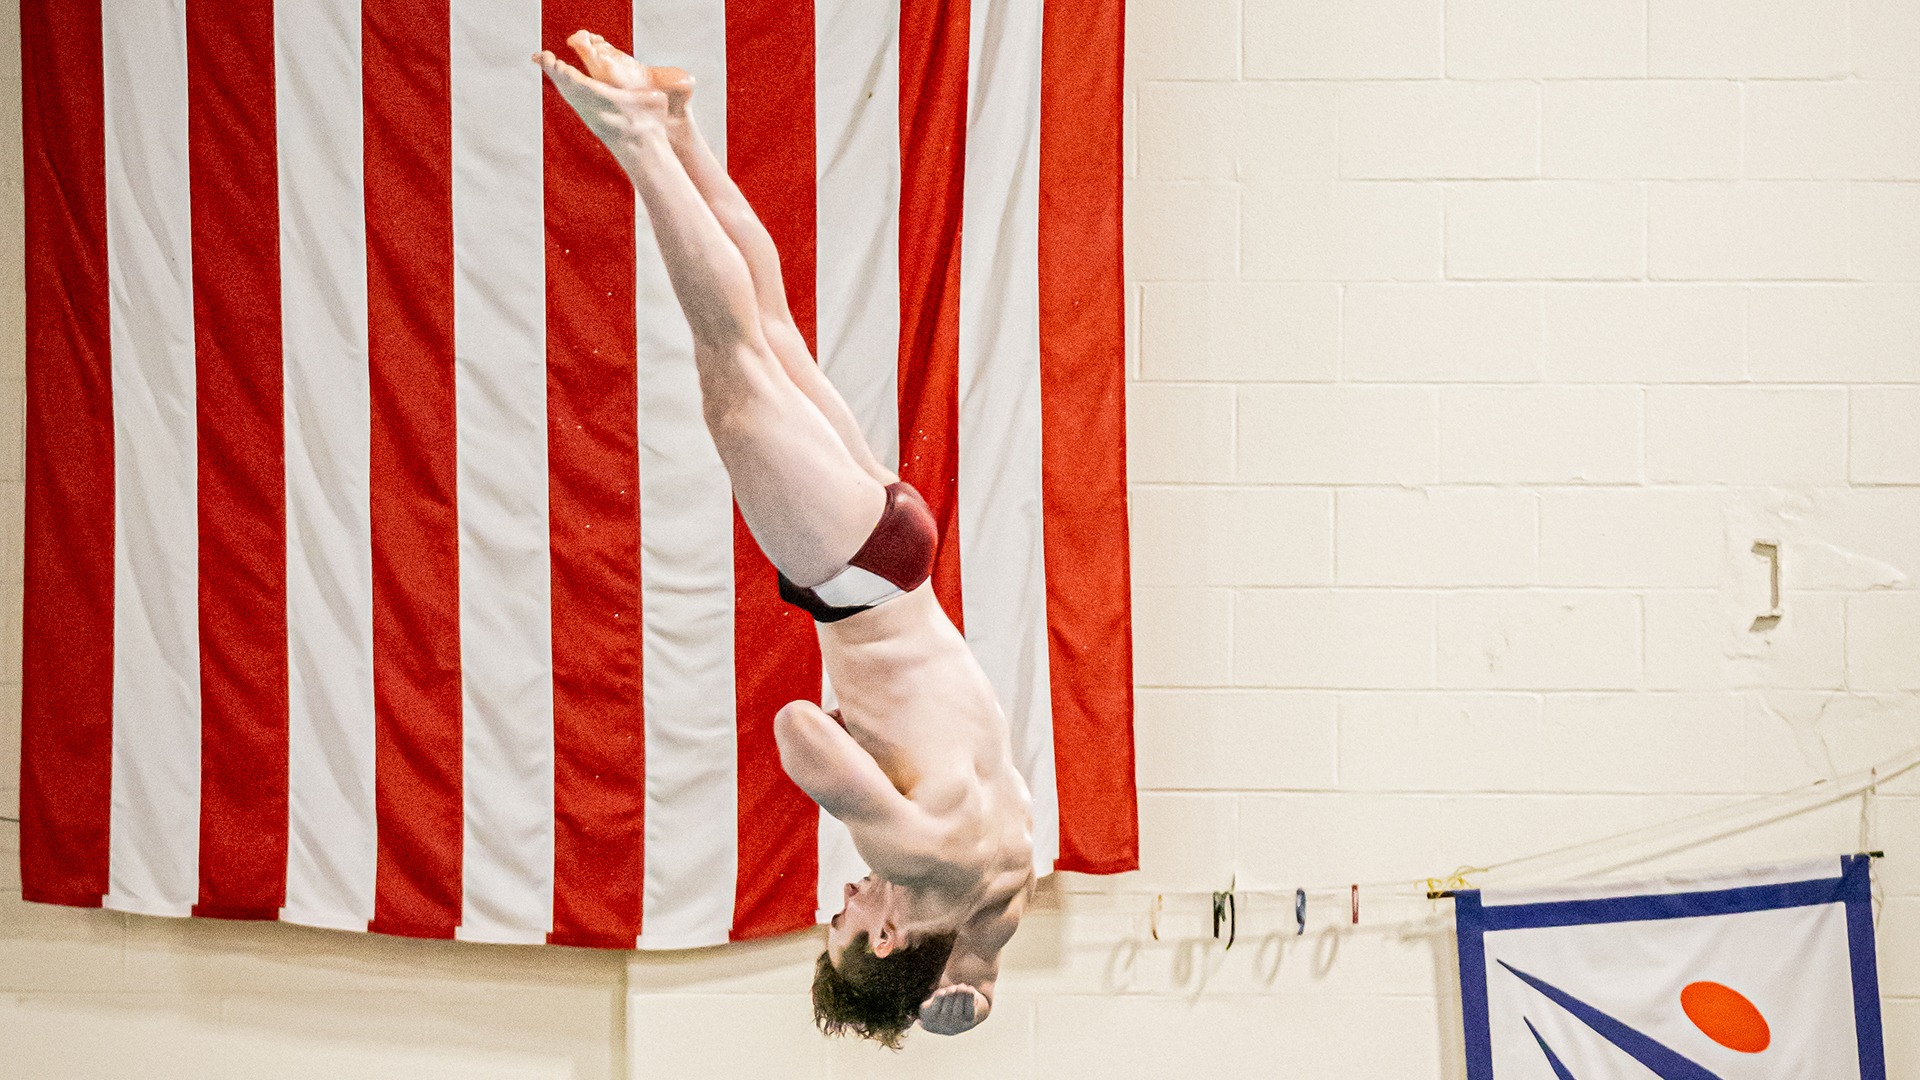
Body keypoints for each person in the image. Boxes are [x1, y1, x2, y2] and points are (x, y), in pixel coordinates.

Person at [536, 32, 1036, 1046]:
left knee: (771, 333)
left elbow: (978, 975)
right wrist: (851, 782)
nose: (846, 901)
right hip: (846, 573)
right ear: (889, 938)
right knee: (731, 361)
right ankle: (639, 141)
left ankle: (678, 127)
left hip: (900, 549)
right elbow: (799, 731)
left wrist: (967, 997)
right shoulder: (918, 854)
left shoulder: (999, 890)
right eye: (844, 924)